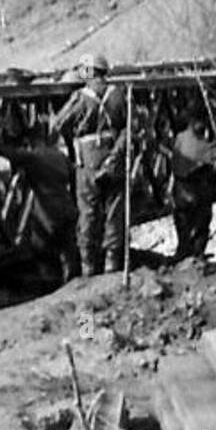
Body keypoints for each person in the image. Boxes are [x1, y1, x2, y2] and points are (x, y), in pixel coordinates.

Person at [49, 52, 128, 276]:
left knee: (88, 212)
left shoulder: (81, 97)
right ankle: (113, 261)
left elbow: (59, 124)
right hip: (114, 157)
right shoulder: (118, 94)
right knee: (114, 210)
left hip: (89, 159)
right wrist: (115, 156)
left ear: (89, 71)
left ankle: (89, 266)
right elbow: (129, 128)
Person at [0, 111, 79, 284]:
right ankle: (74, 281)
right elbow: (73, 173)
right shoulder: (60, 156)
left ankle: (51, 285)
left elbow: (4, 151)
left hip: (48, 214)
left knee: (43, 250)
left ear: (30, 141)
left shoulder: (33, 157)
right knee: (68, 248)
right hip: (68, 208)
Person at [171, 108, 216, 261]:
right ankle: (194, 253)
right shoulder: (193, 142)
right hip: (194, 191)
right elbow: (209, 154)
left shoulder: (180, 138)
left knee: (186, 226)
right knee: (200, 222)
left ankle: (186, 252)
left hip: (182, 191)